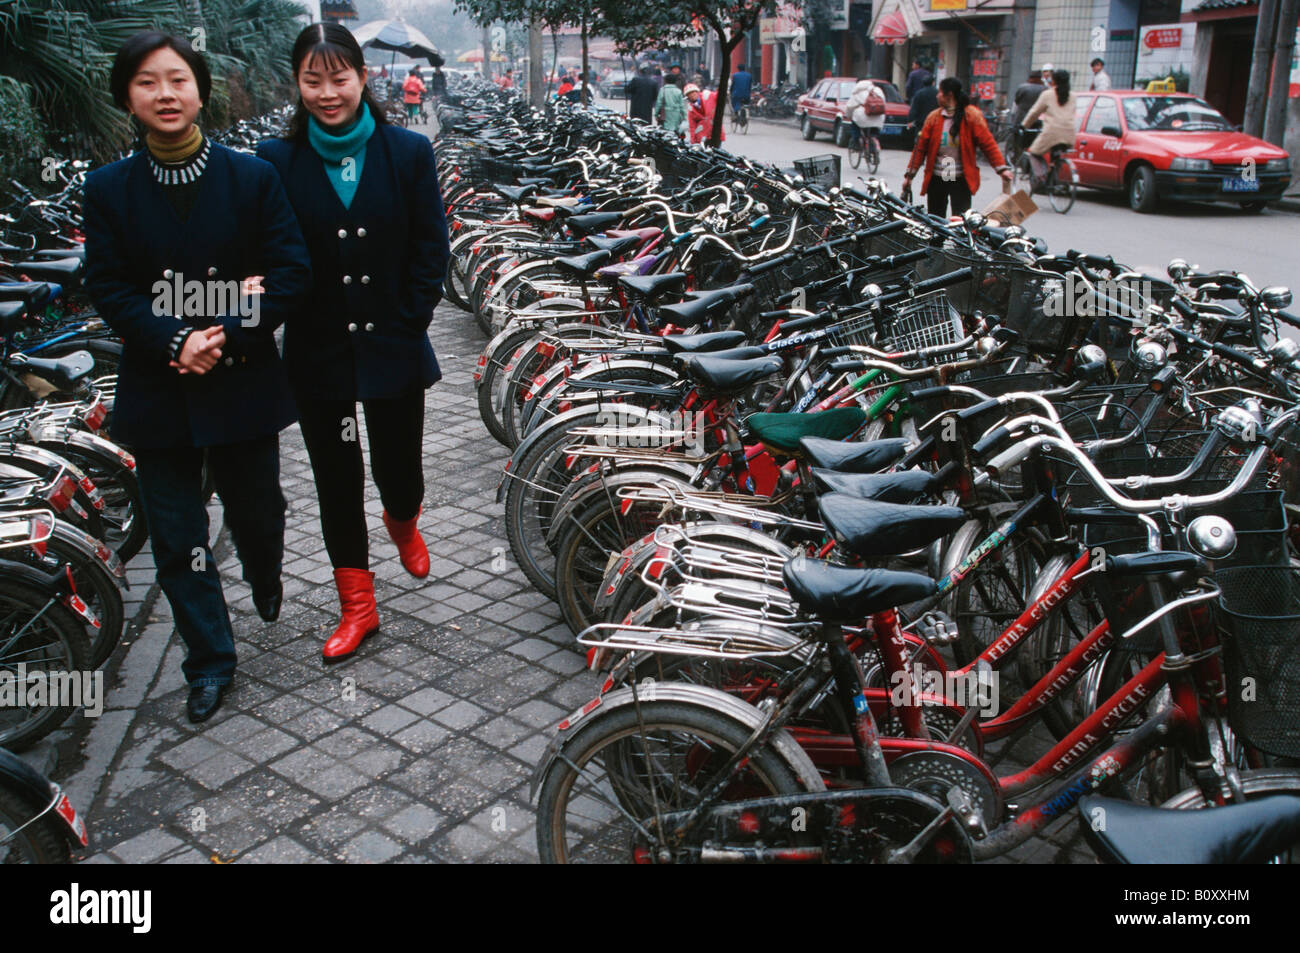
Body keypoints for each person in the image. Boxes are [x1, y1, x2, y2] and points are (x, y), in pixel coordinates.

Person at [83, 32, 311, 723]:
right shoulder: (109, 188)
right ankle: (209, 661)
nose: (165, 94)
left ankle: (264, 572)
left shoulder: (251, 177)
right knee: (179, 537)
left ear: (201, 89)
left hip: (240, 377)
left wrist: (227, 322)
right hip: (160, 385)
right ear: (129, 97)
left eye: (177, 80)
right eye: (148, 82)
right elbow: (110, 287)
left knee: (258, 513)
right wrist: (176, 338)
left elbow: (292, 272)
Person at [256, 23, 450, 665]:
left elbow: (431, 254)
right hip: (319, 355)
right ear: (299, 85)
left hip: (393, 347)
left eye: (339, 77)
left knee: (398, 468)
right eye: (313, 80)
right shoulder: (275, 161)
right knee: (337, 478)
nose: (327, 92)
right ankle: (358, 608)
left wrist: (409, 321)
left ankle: (403, 518)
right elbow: (270, 252)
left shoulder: (408, 153)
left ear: (363, 79)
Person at [904, 77, 1012, 217]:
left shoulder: (971, 116)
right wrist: (909, 176)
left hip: (961, 178)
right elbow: (920, 149)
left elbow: (988, 144)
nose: (937, 96)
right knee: (935, 220)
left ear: (949, 95)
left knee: (961, 221)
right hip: (937, 177)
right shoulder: (934, 117)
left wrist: (1001, 169)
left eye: (940, 93)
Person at [1022, 68, 1077, 188]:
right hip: (1069, 134)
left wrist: (1024, 125)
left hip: (1052, 132)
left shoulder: (1047, 94)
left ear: (1053, 81)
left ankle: (1041, 175)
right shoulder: (1073, 96)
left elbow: (1034, 112)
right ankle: (1053, 172)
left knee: (1034, 152)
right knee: (1055, 154)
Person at [847, 77, 885, 158]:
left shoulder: (857, 92)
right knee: (874, 130)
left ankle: (856, 143)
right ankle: (874, 140)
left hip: (862, 116)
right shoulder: (877, 90)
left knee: (854, 124)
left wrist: (848, 115)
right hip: (878, 116)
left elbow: (849, 107)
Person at [656, 73, 687, 139]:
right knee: (675, 132)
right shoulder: (678, 91)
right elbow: (682, 106)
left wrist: (656, 114)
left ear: (666, 81)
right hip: (676, 115)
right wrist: (685, 117)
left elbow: (659, 103)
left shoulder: (662, 90)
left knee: (665, 132)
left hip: (665, 115)